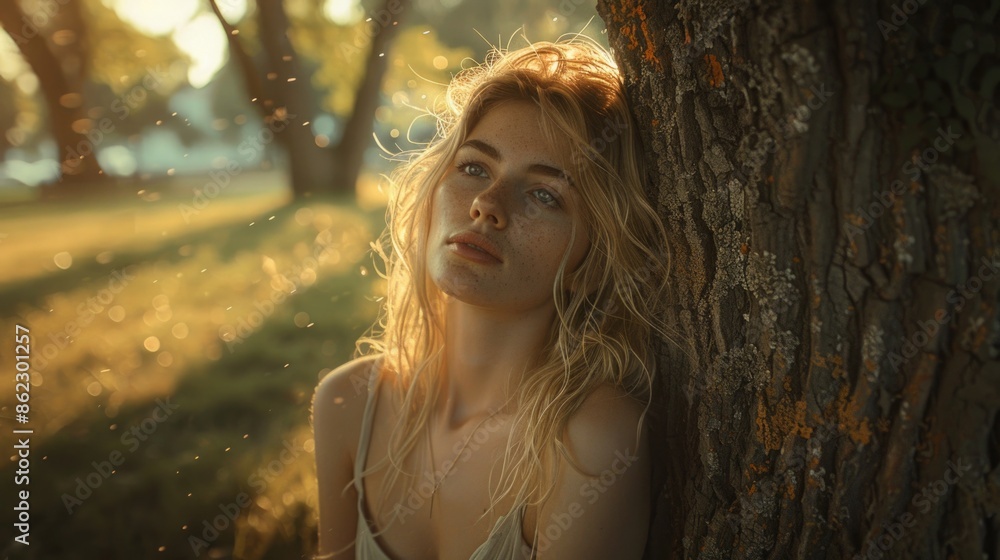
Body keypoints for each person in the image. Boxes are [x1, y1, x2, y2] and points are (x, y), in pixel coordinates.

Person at [312, 36, 678, 560]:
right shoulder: (348, 404)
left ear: (593, 262)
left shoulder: (589, 445)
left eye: (545, 194)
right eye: (474, 168)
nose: (487, 205)